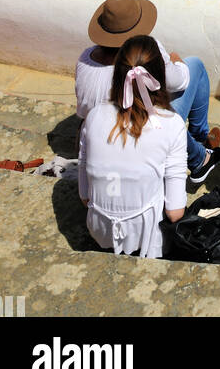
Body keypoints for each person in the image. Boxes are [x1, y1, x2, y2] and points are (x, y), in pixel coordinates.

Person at [75, 0, 220, 191]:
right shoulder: (147, 53)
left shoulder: (85, 58)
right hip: (138, 137)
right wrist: (176, 61)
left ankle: (197, 145)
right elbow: (180, 82)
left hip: (99, 139)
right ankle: (199, 154)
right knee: (193, 66)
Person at [78, 34, 187, 259]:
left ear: (117, 74)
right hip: (148, 241)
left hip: (100, 232)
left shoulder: (94, 116)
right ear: (160, 75)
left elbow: (85, 197)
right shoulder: (171, 124)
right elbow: (175, 213)